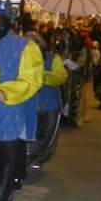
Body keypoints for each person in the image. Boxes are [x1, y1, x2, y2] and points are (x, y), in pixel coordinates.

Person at [0, 0, 42, 201]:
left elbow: (31, 79)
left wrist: (5, 92)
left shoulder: (25, 46)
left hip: (7, 113)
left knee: (5, 166)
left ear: (6, 21)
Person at [25, 31, 68, 169]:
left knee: (46, 135)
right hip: (27, 104)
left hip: (48, 104)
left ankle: (38, 159)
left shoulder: (53, 59)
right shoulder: (20, 59)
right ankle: (27, 159)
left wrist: (41, 76)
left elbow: (61, 76)